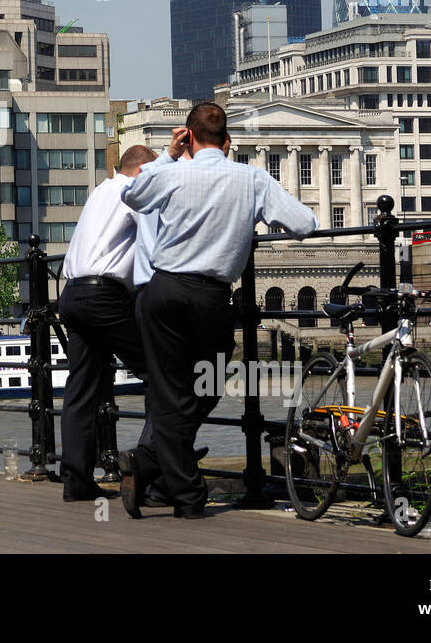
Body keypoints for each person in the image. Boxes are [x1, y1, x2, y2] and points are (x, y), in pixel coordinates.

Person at [120, 103, 316, 519]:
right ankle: (178, 487)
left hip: (164, 289)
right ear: (228, 143)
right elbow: (305, 223)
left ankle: (153, 466)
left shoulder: (172, 171)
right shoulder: (252, 178)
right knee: (211, 380)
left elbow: (131, 195)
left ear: (187, 137)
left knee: (170, 392)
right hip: (212, 296)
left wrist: (168, 155)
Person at [58, 144, 160, 501]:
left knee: (81, 390)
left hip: (72, 294)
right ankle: (152, 467)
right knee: (161, 373)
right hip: (104, 296)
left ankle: (76, 481)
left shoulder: (101, 190)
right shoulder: (133, 193)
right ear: (143, 173)